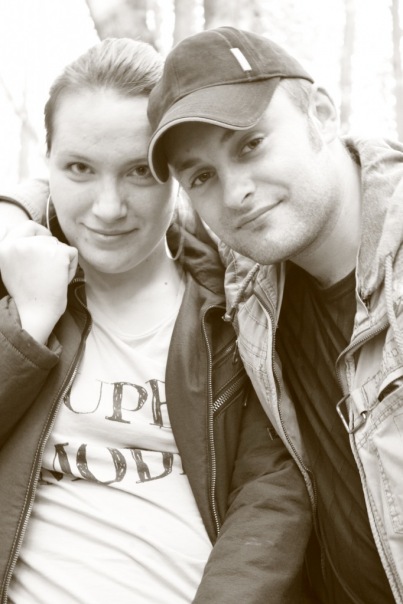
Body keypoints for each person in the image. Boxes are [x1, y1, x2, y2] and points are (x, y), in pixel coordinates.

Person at [0, 37, 312, 604]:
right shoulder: (11, 282)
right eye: (79, 168)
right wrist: (29, 324)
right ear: (47, 166)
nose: (108, 207)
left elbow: (272, 495)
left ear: (175, 175)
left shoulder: (240, 310)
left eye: (139, 172)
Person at [144, 26, 403, 604]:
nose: (234, 192)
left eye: (251, 145)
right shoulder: (250, 274)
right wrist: (17, 206)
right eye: (202, 176)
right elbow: (112, 220)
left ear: (322, 115)